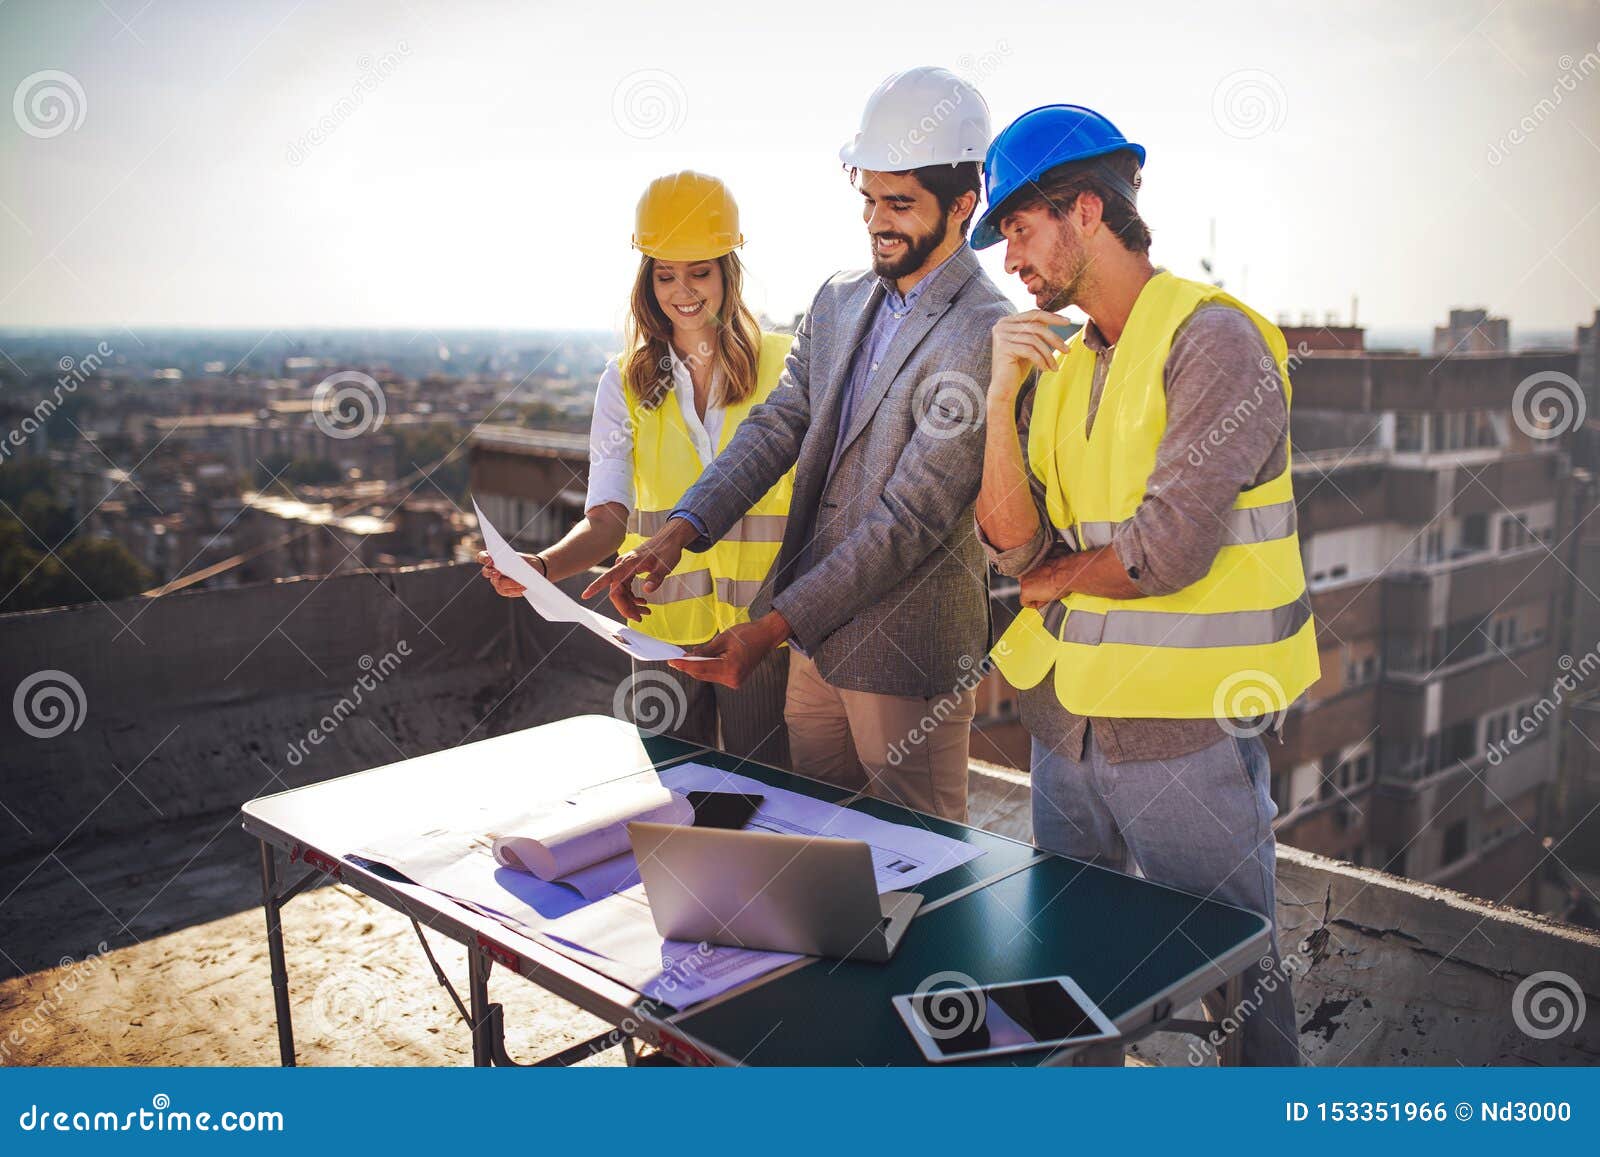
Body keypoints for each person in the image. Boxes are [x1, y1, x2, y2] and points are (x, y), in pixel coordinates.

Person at [971, 103, 1320, 1064]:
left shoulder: (1214, 342)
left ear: (1087, 211)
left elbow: (1165, 550)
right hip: (1066, 730)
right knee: (1070, 987)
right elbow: (1008, 543)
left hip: (1184, 739)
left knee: (1240, 994)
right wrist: (1000, 399)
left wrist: (1051, 581)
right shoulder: (1061, 362)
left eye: (1019, 226)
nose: (1011, 259)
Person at [583, 67, 1012, 821]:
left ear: (963, 203)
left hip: (904, 657)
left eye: (901, 204)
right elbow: (775, 428)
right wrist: (678, 533)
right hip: (816, 656)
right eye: (870, 199)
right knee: (818, 854)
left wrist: (772, 626)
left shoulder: (982, 329)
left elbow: (906, 522)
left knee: (923, 875)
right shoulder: (840, 299)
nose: (878, 221)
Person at [479, 171, 794, 766]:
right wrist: (542, 566)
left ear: (729, 271)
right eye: (665, 273)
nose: (683, 290)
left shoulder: (785, 366)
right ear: (646, 280)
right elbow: (605, 520)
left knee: (772, 799)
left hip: (763, 635)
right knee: (677, 798)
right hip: (659, 632)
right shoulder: (624, 384)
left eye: (699, 271)